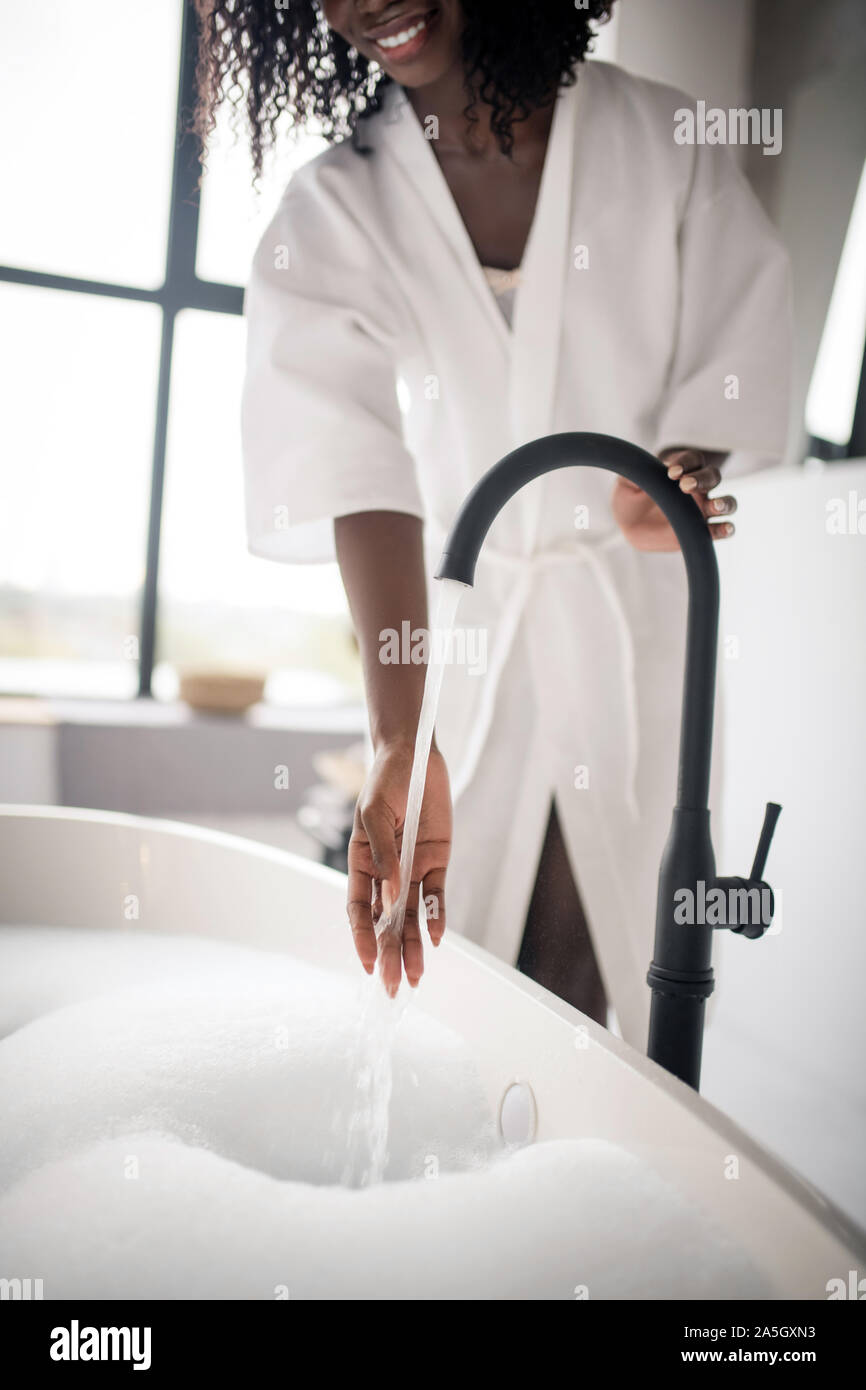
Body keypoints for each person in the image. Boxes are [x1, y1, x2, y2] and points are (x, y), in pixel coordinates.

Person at [195, 0, 791, 1047]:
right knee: (454, 981)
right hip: (456, 638)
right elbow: (353, 462)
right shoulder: (337, 209)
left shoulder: (664, 145)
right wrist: (395, 735)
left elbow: (731, 356)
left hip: (627, 623)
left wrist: (675, 480)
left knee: (606, 960)